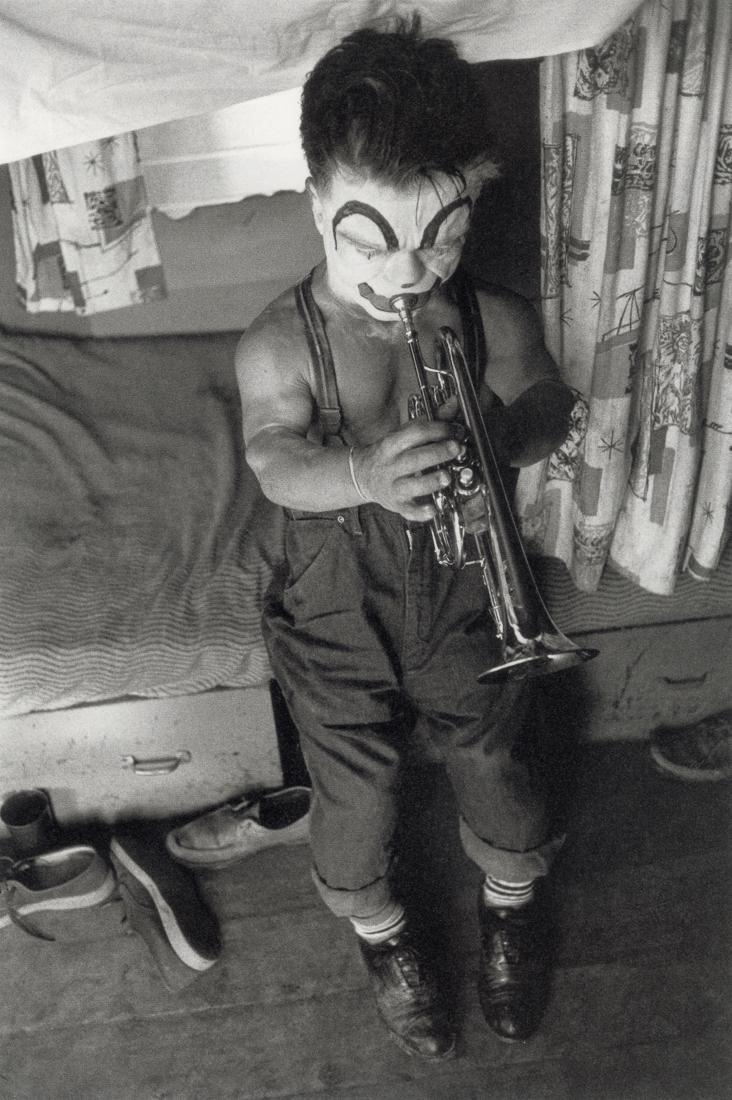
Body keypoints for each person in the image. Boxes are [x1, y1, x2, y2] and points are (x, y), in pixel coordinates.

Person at [236, 15, 575, 1060]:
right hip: (334, 589)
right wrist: (361, 473)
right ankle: (384, 935)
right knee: (359, 782)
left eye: (445, 236)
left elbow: (547, 400)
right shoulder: (279, 340)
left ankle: (510, 906)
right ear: (317, 206)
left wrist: (509, 433)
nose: (412, 272)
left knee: (490, 746)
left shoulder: (490, 315)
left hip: (460, 583)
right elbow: (271, 460)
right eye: (372, 239)